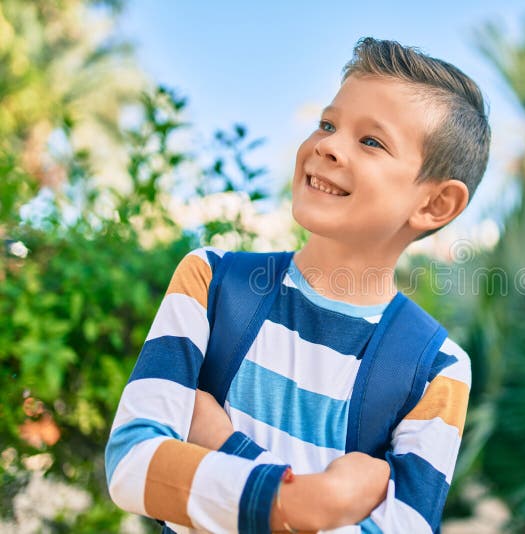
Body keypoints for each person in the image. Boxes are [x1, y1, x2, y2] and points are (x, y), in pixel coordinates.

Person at [104, 36, 491, 533]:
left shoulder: (436, 369)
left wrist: (228, 449)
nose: (327, 145)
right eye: (328, 124)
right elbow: (133, 464)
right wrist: (315, 502)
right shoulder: (211, 280)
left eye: (370, 141)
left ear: (435, 205)